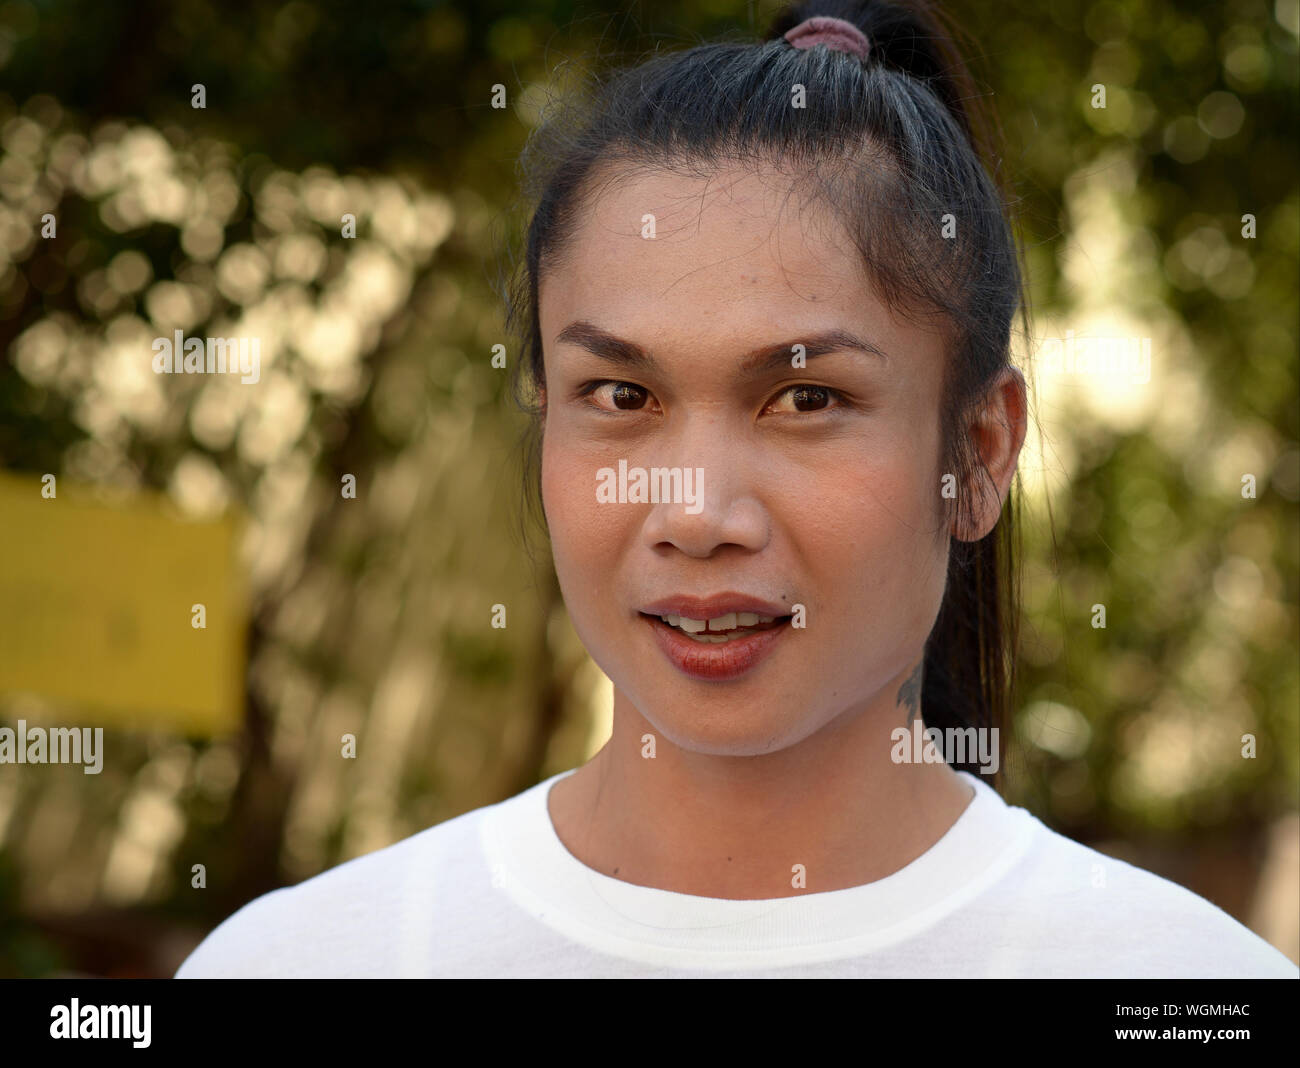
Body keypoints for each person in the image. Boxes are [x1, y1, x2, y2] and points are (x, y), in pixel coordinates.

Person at [175, 0, 1297, 979]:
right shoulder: (307, 966)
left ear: (980, 454)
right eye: (619, 395)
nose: (697, 514)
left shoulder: (1178, 986)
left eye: (805, 401)